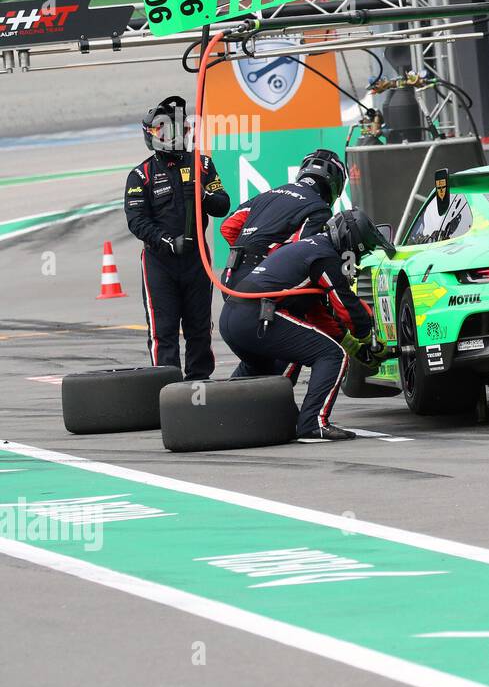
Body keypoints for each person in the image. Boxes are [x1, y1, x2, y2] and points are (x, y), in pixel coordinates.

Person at [218, 209, 395, 441]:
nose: (356, 262)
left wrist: (357, 348)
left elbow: (317, 313)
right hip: (257, 316)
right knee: (333, 356)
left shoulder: (311, 247)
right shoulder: (327, 257)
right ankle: (314, 423)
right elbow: (347, 307)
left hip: (234, 317)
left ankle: (221, 415)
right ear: (350, 244)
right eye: (358, 255)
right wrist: (367, 337)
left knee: (271, 362)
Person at [125, 95, 230, 380]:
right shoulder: (140, 175)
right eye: (162, 131)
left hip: (197, 259)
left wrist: (203, 194)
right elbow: (136, 222)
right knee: (163, 329)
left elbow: (223, 205)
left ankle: (199, 384)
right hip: (160, 263)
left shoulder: (202, 164)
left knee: (199, 327)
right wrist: (168, 241)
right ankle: (167, 387)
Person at [220, 148, 347, 291]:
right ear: (335, 184)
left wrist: (247, 250)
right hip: (264, 281)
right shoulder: (320, 209)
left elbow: (228, 226)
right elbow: (301, 253)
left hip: (230, 277)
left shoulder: (266, 195)